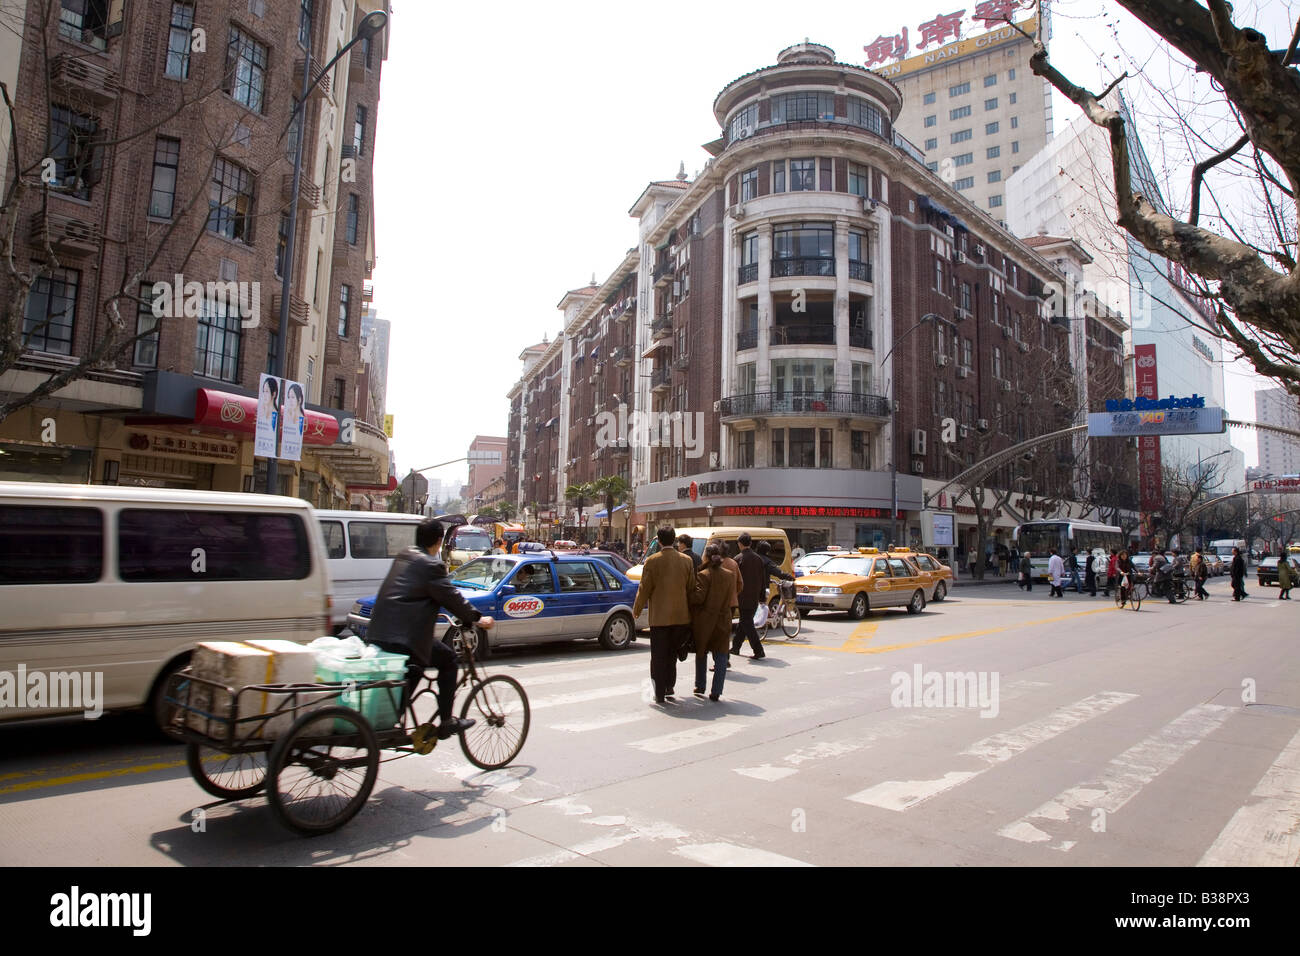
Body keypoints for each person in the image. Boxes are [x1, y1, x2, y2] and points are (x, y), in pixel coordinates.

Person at [366, 518, 493, 739]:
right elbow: (452, 597)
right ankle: (446, 722)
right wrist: (477, 619)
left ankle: (389, 721)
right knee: (447, 659)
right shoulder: (431, 565)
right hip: (404, 637)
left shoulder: (404, 556)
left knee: (414, 670)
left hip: (379, 630)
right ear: (438, 541)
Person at [632, 526, 696, 703]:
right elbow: (691, 587)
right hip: (681, 616)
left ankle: (659, 691)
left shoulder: (652, 561)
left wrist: (636, 610)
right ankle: (669, 686)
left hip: (659, 617)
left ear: (659, 541)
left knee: (658, 655)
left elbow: (644, 588)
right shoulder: (686, 561)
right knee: (672, 653)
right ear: (674, 540)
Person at [689, 544, 736, 701]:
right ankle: (716, 690)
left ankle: (700, 685)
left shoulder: (703, 574)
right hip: (724, 618)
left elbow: (698, 598)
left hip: (705, 620)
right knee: (721, 656)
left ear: (707, 557)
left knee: (702, 653)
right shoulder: (729, 575)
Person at [731, 532, 767, 660]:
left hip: (742, 596)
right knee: (744, 622)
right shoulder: (758, 559)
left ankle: (758, 650)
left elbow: (735, 580)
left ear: (740, 544)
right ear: (750, 543)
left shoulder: (738, 559)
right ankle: (735, 647)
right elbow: (763, 580)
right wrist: (762, 597)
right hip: (754, 596)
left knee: (747, 623)